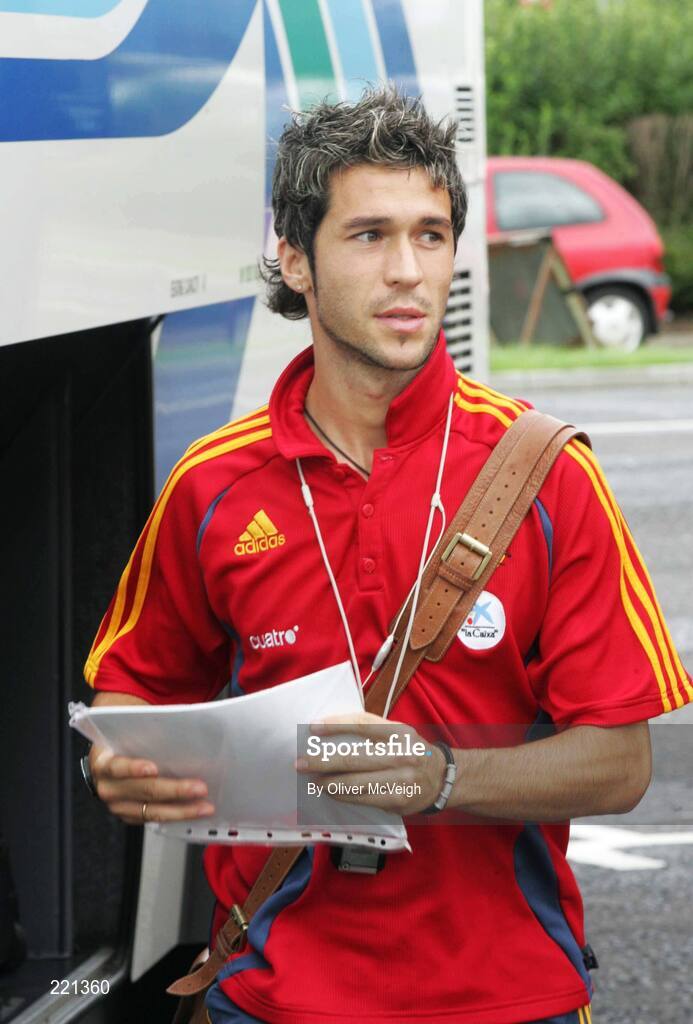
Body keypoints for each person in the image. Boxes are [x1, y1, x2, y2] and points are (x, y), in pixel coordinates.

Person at [83, 87, 692, 1024]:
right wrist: (119, 765)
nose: (409, 271)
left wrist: (440, 779)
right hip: (270, 1000)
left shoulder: (545, 472)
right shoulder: (212, 485)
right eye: (368, 235)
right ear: (296, 258)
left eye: (431, 234)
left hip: (506, 1001)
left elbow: (619, 764)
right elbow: (132, 690)